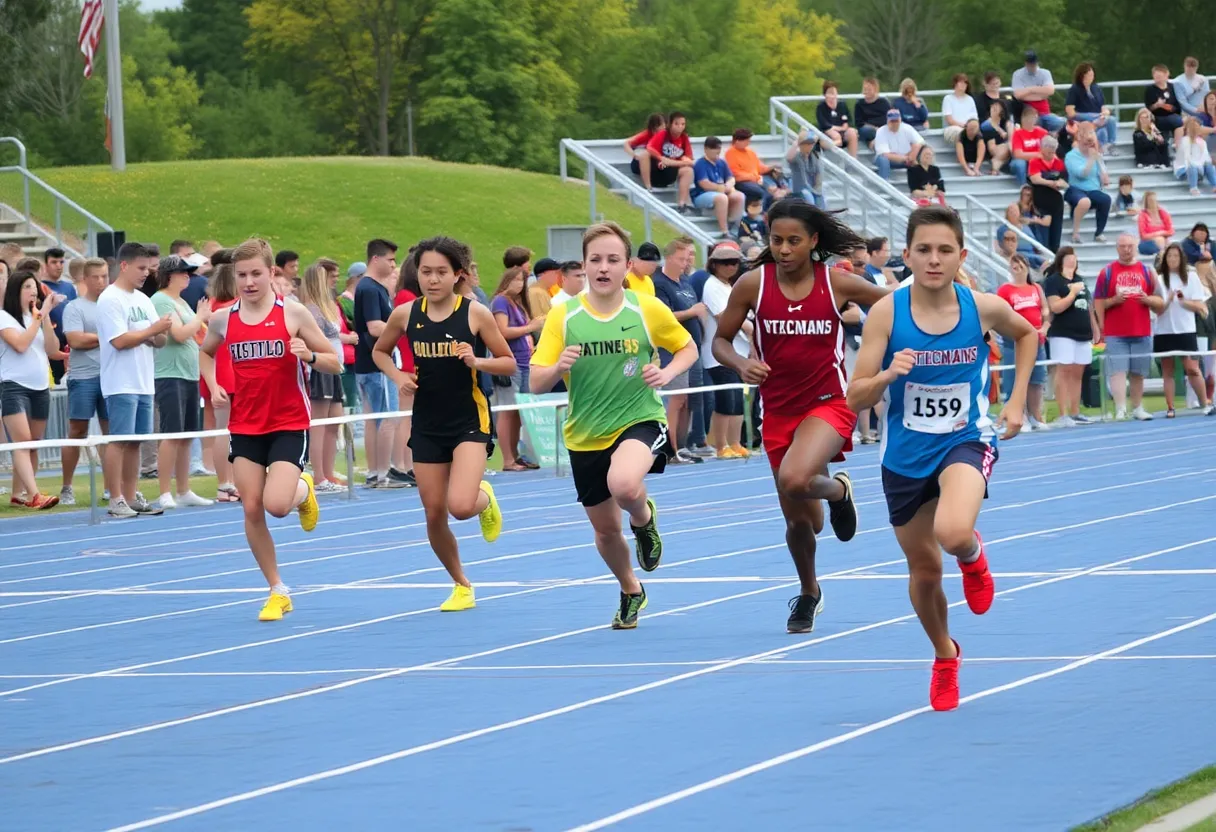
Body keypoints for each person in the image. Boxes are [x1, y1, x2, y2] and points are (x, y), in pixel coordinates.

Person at [847, 206, 1038, 712]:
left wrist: (1016, 401)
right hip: (905, 455)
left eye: (945, 250)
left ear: (961, 256)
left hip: (966, 439)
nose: (934, 260)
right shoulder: (888, 312)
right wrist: (888, 376)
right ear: (907, 255)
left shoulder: (983, 306)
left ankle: (973, 558)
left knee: (953, 534)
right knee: (926, 570)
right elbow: (855, 396)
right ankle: (945, 654)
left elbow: (1027, 334)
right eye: (924, 251)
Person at [712, 198, 889, 633]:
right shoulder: (753, 284)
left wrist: (956, 310)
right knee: (802, 521)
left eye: (794, 241)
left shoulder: (837, 283)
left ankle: (837, 493)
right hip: (777, 409)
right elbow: (720, 341)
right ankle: (809, 589)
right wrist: (740, 364)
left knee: (794, 478)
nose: (785, 249)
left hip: (828, 402)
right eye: (776, 240)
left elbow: (895, 304)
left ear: (813, 241)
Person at [530, 222, 697, 629]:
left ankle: (643, 518)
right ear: (583, 266)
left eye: (613, 260)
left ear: (627, 266)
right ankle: (630, 589)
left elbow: (687, 347)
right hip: (585, 432)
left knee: (623, 484)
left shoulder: (646, 307)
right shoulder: (563, 314)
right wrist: (558, 366)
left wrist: (667, 371)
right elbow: (535, 382)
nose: (603, 268)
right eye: (595, 260)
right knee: (605, 533)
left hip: (639, 417)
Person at [199, 239, 341, 622]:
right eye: (241, 275)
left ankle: (303, 488)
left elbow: (335, 362)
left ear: (271, 274)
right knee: (250, 505)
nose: (248, 282)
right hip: (245, 423)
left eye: (256, 274)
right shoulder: (223, 319)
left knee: (276, 505)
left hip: (288, 422)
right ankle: (277, 589)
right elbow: (206, 352)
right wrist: (213, 385)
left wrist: (309, 355)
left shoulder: (292, 314)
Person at [373, 237, 518, 612]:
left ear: (458, 275)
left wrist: (477, 362)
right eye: (426, 272)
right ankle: (461, 583)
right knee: (434, 511)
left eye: (441, 272)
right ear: (416, 274)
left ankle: (484, 500)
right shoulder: (405, 315)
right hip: (427, 422)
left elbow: (508, 362)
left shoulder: (475, 314)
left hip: (468, 420)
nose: (432, 279)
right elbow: (379, 351)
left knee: (460, 506)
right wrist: (398, 375)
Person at [97, 242, 173, 518]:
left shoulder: (142, 300)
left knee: (135, 442)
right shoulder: (110, 299)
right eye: (141, 268)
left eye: (148, 268)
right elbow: (118, 341)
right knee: (119, 440)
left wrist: (161, 331)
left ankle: (130, 495)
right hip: (120, 382)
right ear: (124, 266)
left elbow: (159, 340)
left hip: (143, 380)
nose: (146, 274)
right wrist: (153, 330)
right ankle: (115, 497)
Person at [150, 255, 212, 509]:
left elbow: (195, 334)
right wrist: (200, 317)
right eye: (182, 272)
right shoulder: (161, 300)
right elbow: (178, 334)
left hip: (187, 373)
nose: (188, 276)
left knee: (186, 435)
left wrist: (199, 320)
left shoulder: (180, 302)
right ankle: (165, 490)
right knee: (171, 433)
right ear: (168, 275)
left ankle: (184, 489)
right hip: (169, 373)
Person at [0, 269, 64, 509]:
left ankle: (19, 493)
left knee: (33, 442)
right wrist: (41, 316)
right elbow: (20, 344)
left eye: (35, 287)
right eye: (27, 287)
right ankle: (35, 494)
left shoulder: (37, 316)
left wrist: (45, 318)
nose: (33, 291)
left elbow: (51, 348)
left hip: (39, 387)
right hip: (13, 386)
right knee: (22, 442)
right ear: (16, 291)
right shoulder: (4, 317)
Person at [59, 258, 111, 506]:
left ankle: (112, 486)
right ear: (85, 279)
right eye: (96, 277)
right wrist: (107, 336)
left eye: (104, 276)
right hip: (83, 376)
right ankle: (67, 486)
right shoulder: (75, 307)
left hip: (111, 376)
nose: (101, 281)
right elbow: (76, 340)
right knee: (77, 431)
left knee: (110, 433)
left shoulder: (112, 305)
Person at [298, 263, 348, 492]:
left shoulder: (327, 306)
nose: (333, 281)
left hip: (334, 368)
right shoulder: (311, 310)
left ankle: (328, 472)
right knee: (319, 423)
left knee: (333, 422)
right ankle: (318, 475)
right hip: (319, 369)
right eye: (327, 278)